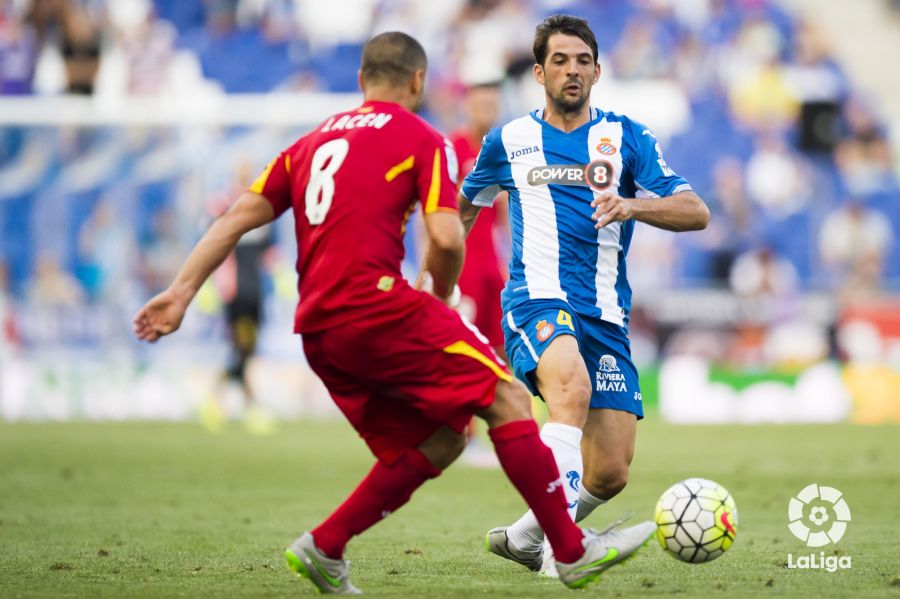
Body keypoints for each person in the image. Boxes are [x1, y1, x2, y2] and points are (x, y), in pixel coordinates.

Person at [133, 31, 652, 594]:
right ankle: (570, 550)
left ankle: (325, 546)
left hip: (317, 329)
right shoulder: (423, 137)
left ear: (360, 82)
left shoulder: (309, 144)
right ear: (417, 82)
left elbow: (236, 217)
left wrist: (180, 292)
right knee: (505, 397)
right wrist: (441, 301)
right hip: (379, 308)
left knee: (443, 438)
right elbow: (449, 239)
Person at [458, 15, 709, 575]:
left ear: (597, 71)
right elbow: (462, 212)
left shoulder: (628, 137)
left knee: (610, 473)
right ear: (539, 71)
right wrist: (436, 282)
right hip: (536, 299)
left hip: (606, 314)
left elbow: (697, 211)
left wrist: (632, 204)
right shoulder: (508, 140)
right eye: (560, 61)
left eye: (582, 61)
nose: (572, 70)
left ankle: (525, 536)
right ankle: (562, 552)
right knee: (569, 385)